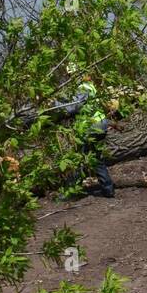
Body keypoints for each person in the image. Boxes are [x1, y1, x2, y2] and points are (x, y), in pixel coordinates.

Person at [62, 68, 114, 198]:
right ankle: (108, 189)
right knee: (96, 158)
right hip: (101, 123)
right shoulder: (90, 86)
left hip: (92, 126)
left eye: (70, 74)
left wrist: (56, 106)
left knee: (78, 158)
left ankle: (72, 192)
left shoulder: (82, 88)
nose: (70, 77)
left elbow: (74, 106)